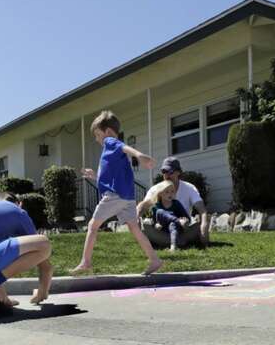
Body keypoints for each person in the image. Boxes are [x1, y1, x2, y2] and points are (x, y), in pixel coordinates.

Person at [72, 111, 163, 275]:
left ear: (106, 131)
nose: (97, 139)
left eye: (97, 135)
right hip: (127, 197)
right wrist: (95, 176)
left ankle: (85, 262)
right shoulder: (112, 151)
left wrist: (138, 155)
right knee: (134, 228)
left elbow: (124, 147)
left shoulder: (110, 142)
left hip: (115, 196)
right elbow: (109, 177)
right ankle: (155, 260)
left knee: (93, 225)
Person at [137, 157, 210, 247]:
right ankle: (179, 242)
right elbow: (144, 205)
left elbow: (202, 210)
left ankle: (171, 241)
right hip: (161, 230)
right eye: (164, 172)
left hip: (182, 229)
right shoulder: (156, 189)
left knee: (198, 224)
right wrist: (137, 215)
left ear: (178, 172)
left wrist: (204, 226)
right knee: (148, 224)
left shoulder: (189, 188)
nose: (167, 175)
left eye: (170, 172)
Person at [149, 184, 191, 251]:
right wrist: (155, 224)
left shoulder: (176, 203)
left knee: (172, 224)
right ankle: (177, 220)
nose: (170, 194)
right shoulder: (156, 206)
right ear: (160, 194)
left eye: (172, 191)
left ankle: (173, 246)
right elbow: (152, 220)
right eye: (167, 192)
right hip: (162, 227)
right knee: (160, 211)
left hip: (175, 227)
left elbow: (187, 217)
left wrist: (185, 220)